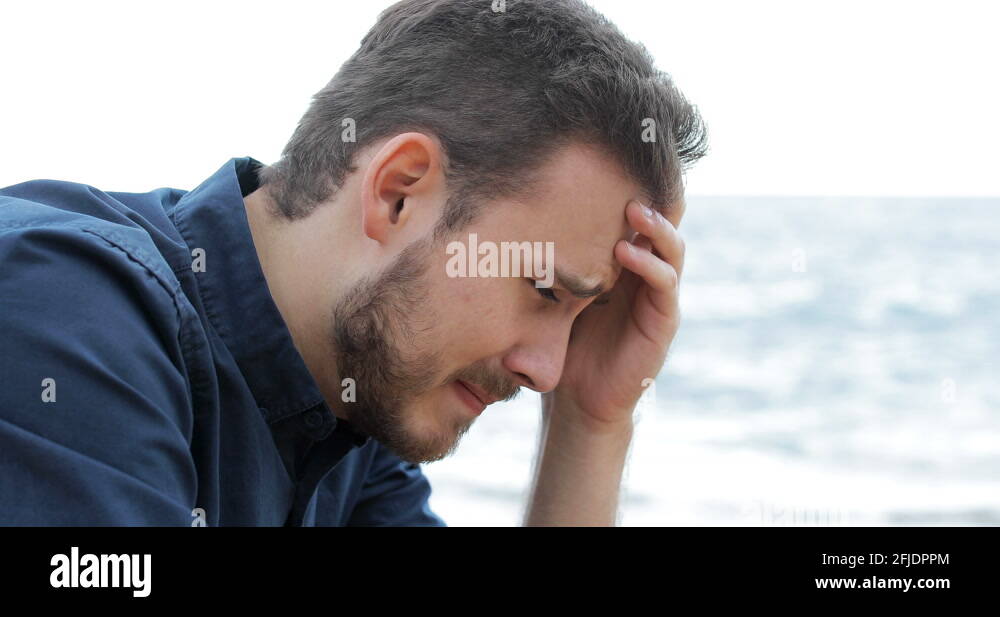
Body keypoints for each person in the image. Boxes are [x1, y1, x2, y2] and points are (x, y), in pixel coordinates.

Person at [0, 0, 706, 526]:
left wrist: (589, 422)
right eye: (546, 289)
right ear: (399, 192)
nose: (546, 369)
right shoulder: (67, 306)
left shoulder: (354, 411)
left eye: (586, 317)